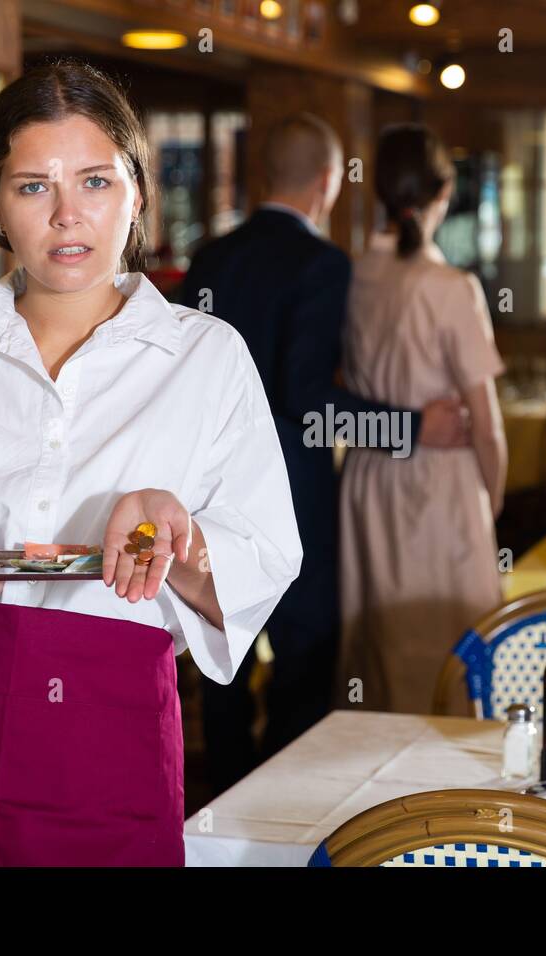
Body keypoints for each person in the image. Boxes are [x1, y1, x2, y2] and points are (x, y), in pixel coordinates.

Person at [0, 60, 302, 866]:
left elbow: (264, 562)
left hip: (110, 730)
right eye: (33, 186)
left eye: (97, 181)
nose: (70, 215)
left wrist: (172, 534)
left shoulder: (207, 357)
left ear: (137, 190)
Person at [180, 114, 470, 791]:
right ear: (328, 182)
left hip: (202, 495)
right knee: (306, 665)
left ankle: (218, 808)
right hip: (290, 497)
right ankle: (284, 806)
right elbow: (308, 402)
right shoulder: (321, 264)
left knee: (223, 660)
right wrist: (409, 429)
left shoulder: (209, 257)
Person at [337, 124, 508, 714]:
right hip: (440, 483)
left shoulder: (356, 273)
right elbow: (486, 426)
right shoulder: (451, 287)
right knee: (451, 658)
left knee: (378, 653)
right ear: (446, 192)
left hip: (366, 478)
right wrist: (492, 498)